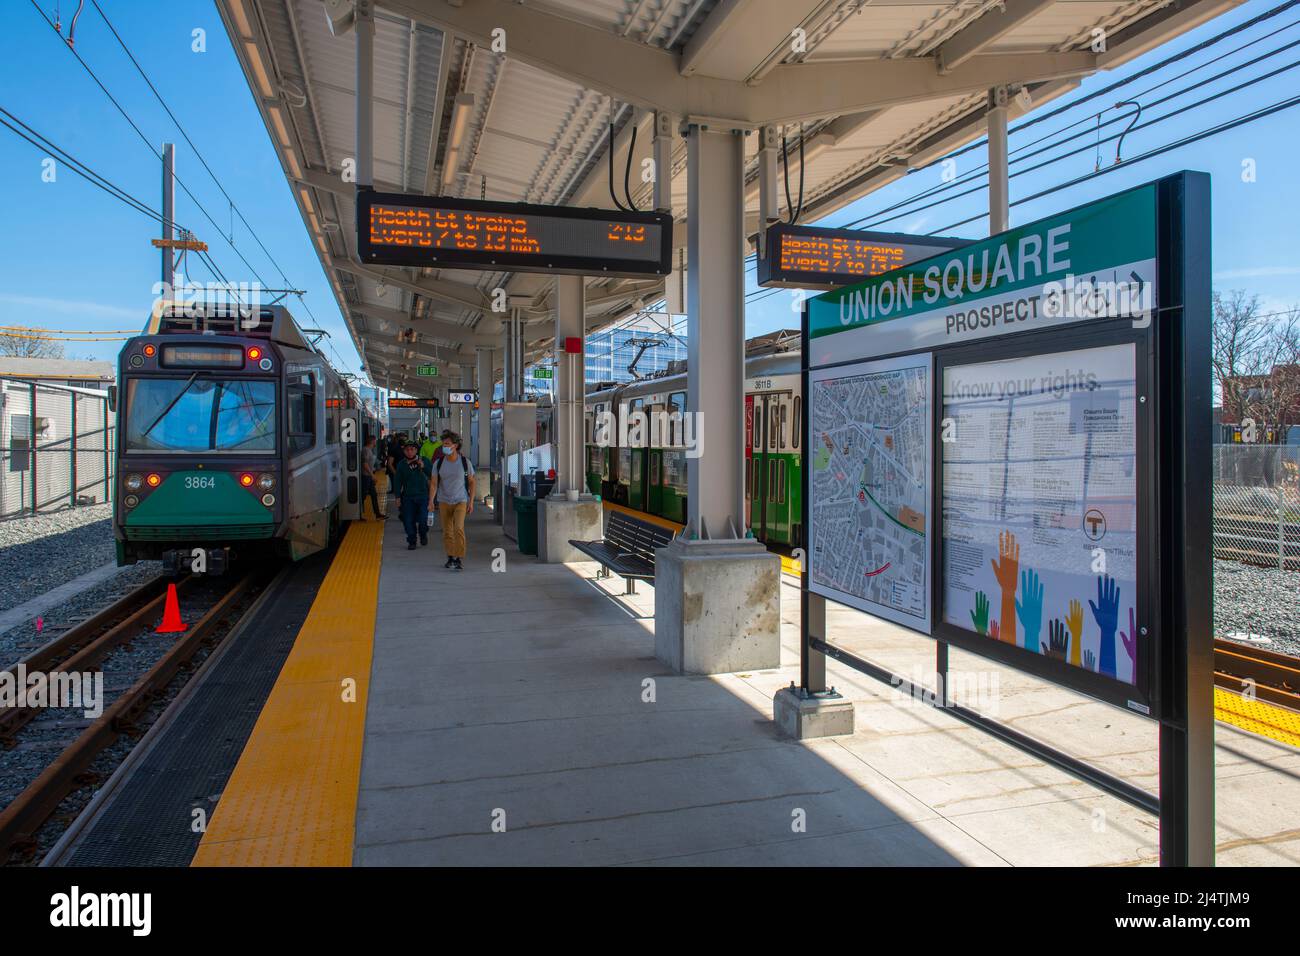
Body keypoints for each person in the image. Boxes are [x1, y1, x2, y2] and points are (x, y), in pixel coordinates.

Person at [433, 432, 475, 570]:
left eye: (447, 444)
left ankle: (458, 557)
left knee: (458, 528)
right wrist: (430, 501)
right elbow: (433, 483)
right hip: (444, 500)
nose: (444, 446)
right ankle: (450, 556)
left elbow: (472, 482)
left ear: (455, 446)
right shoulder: (438, 463)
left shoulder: (464, 462)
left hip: (460, 500)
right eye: (443, 444)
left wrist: (471, 501)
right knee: (447, 531)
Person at [392, 439, 433, 550]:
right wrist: (397, 497)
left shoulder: (424, 460)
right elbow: (397, 481)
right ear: (404, 451)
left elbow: (433, 475)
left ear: (416, 450)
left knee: (423, 519)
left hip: (423, 495)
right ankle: (412, 540)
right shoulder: (401, 464)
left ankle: (423, 534)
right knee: (408, 520)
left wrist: (424, 466)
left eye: (412, 449)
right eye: (407, 450)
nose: (409, 452)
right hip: (408, 497)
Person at [360, 434, 383, 520]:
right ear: (372, 441)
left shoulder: (369, 450)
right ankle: (360, 514)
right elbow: (365, 464)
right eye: (375, 440)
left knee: (373, 495)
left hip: (368, 476)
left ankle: (377, 514)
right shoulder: (366, 450)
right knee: (363, 495)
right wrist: (372, 474)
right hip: (366, 476)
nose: (376, 442)